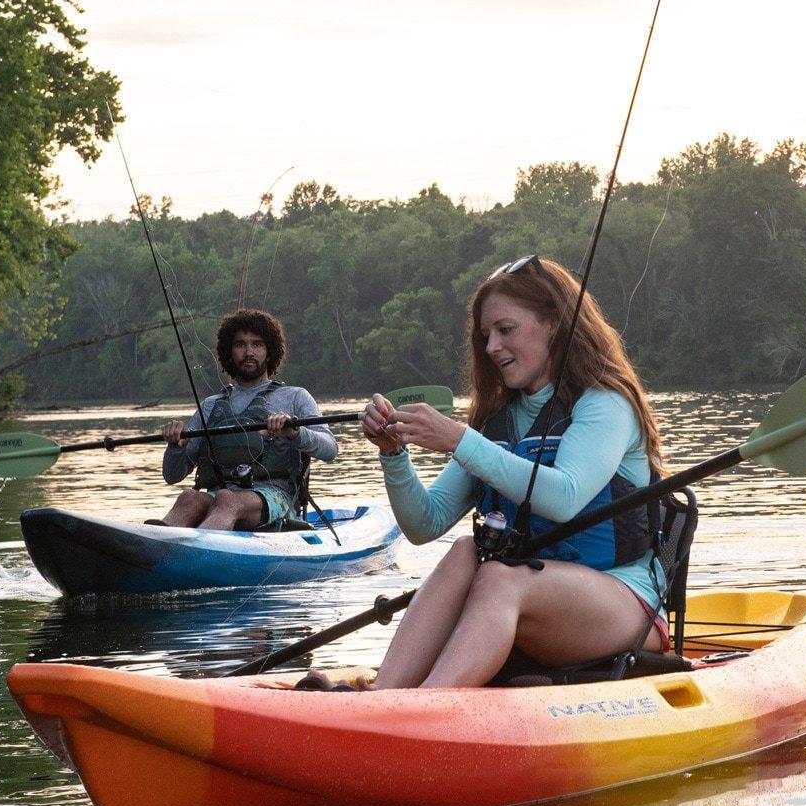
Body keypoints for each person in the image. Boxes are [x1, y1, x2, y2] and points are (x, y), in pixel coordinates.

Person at [350, 255, 668, 689]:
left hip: (623, 604)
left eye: (506, 329)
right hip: (533, 603)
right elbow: (425, 524)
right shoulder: (497, 422)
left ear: (554, 322)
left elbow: (564, 497)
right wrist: (393, 455)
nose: (491, 347)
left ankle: (425, 705)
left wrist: (457, 438)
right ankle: (386, 696)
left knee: (499, 575)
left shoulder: (605, 404)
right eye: (485, 335)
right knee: (466, 550)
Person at [157, 308, 337, 530]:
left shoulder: (295, 397)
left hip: (275, 498)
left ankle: (199, 552)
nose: (248, 352)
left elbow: (330, 449)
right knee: (188, 498)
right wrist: (175, 446)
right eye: (240, 344)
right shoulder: (210, 406)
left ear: (269, 351)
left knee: (227, 500)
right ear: (229, 353)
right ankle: (152, 548)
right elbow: (172, 476)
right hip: (217, 498)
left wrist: (294, 432)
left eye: (257, 344)